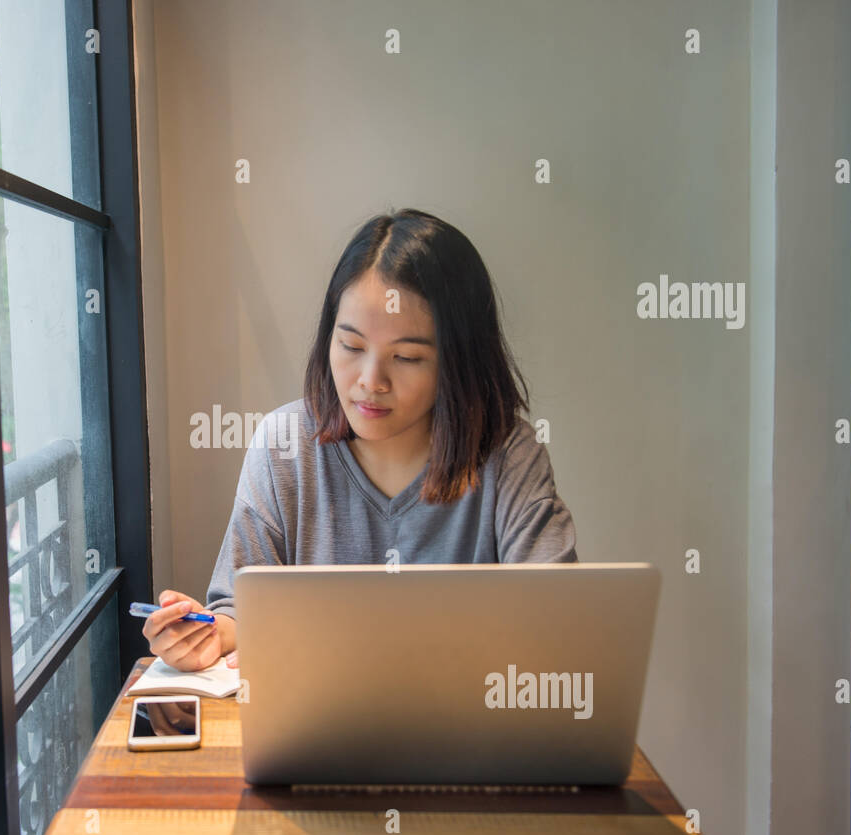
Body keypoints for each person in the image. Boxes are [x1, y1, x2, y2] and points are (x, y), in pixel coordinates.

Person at [143, 208, 578, 673]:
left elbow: (551, 621)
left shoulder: (507, 455)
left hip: (465, 735)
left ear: (458, 362)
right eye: (351, 347)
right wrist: (207, 636)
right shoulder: (283, 446)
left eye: (407, 357)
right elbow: (240, 612)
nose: (371, 381)